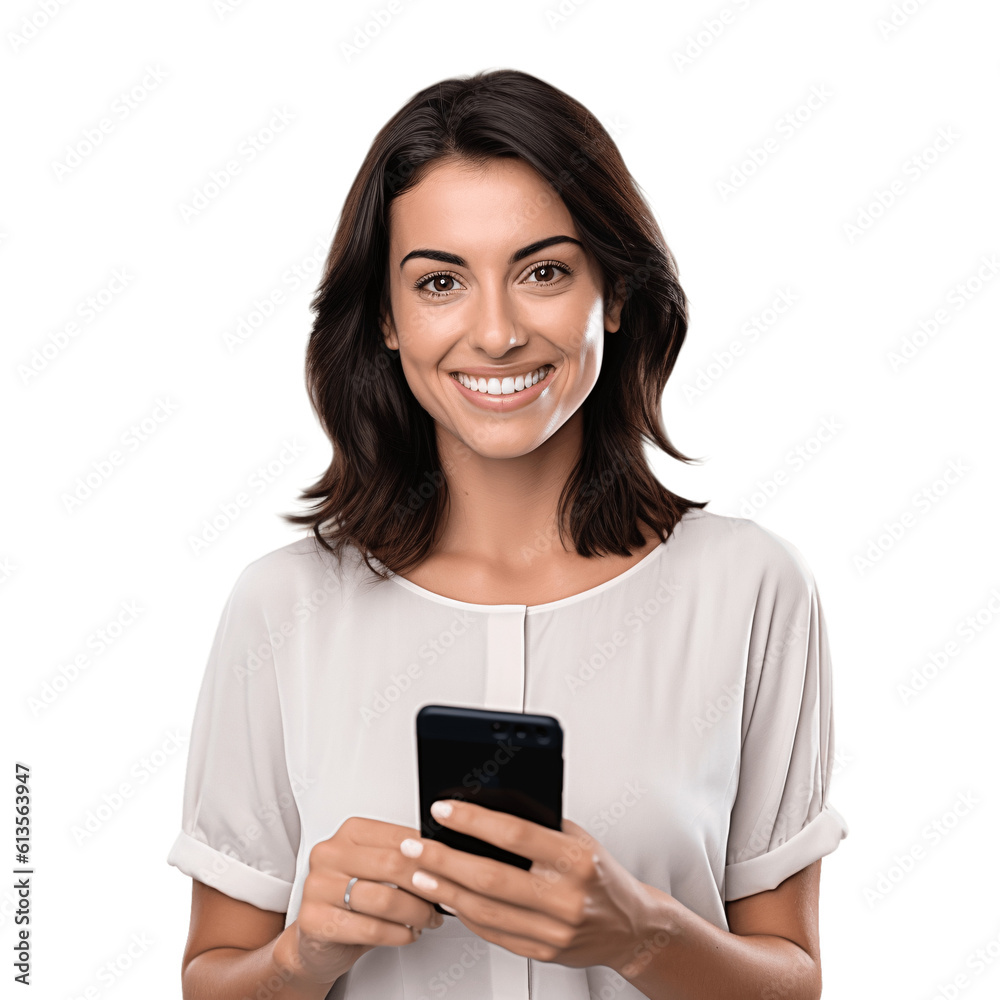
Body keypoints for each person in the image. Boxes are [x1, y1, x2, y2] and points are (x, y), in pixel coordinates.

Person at [167, 69, 849, 999]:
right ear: (386, 321)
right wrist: (303, 953)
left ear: (613, 295)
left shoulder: (750, 588)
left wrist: (638, 932)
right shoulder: (283, 606)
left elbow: (794, 981)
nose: (494, 333)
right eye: (440, 281)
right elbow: (210, 981)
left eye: (544, 272)